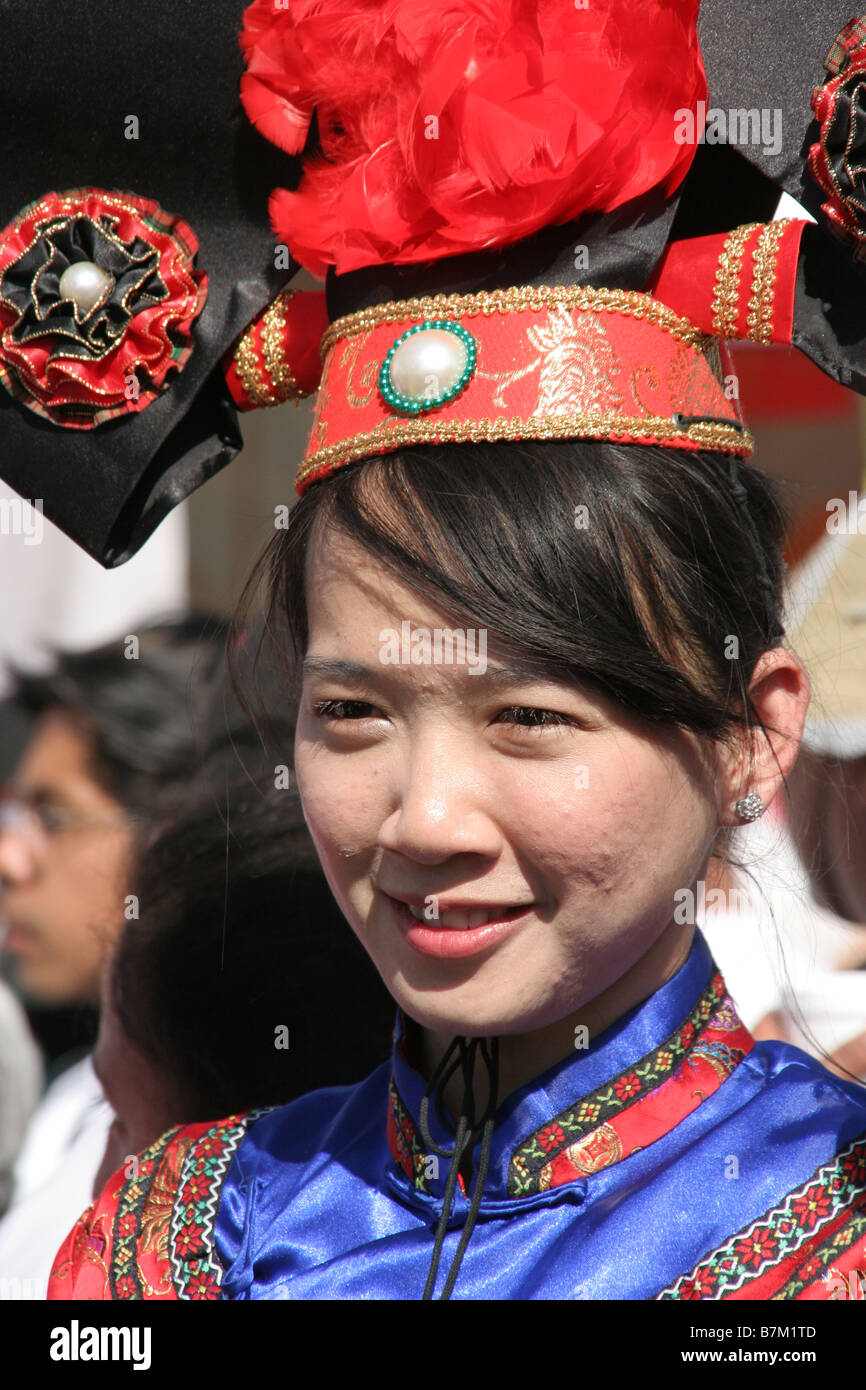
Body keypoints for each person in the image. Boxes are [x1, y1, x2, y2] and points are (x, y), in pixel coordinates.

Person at [25, 3, 866, 1301]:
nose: (422, 818)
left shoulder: (830, 1239)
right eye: (354, 712)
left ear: (752, 732)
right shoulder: (170, 1242)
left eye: (528, 716)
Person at [0, 618, 226, 1295]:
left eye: (54, 816)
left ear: (176, 834)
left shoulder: (222, 1130)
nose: (10, 860)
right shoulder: (77, 1094)